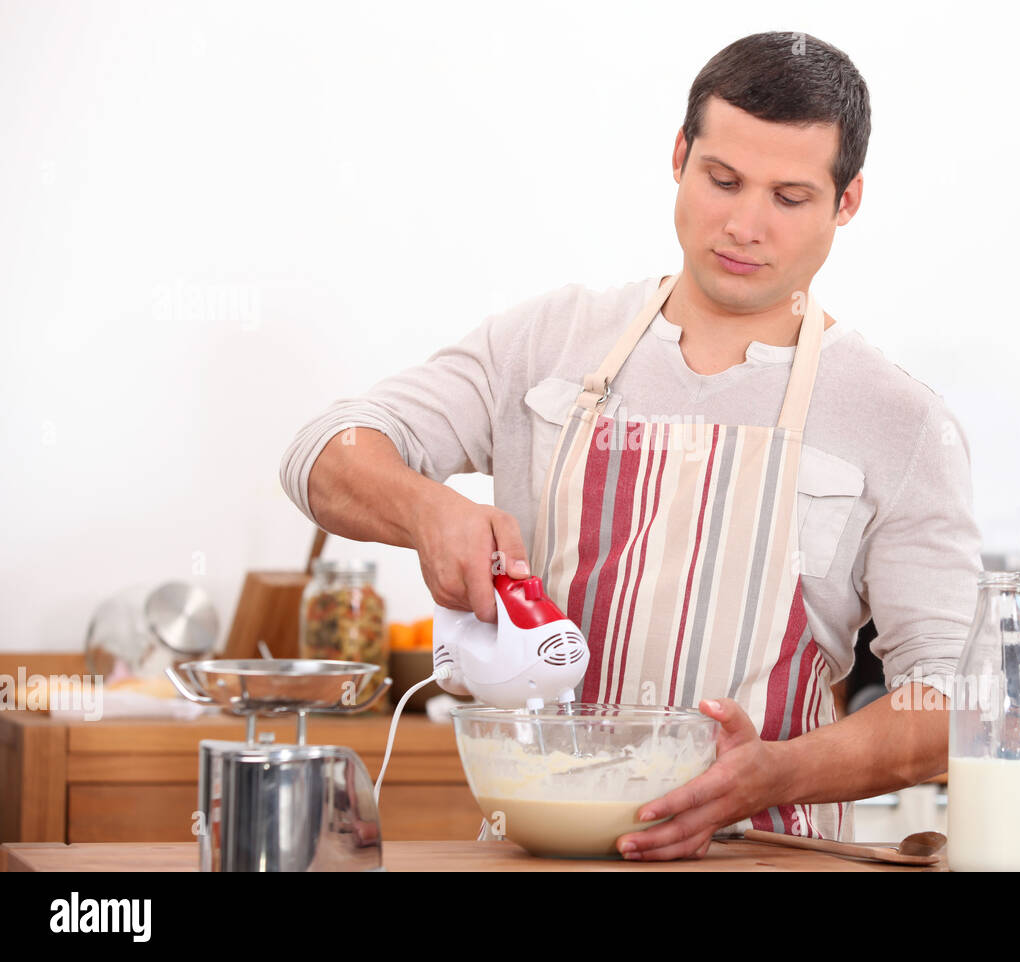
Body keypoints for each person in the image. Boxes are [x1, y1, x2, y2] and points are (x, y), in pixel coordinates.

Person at [279, 31, 983, 861]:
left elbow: (955, 703)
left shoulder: (900, 420)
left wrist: (776, 773)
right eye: (722, 180)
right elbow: (320, 454)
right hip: (540, 844)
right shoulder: (548, 341)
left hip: (761, 851)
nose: (744, 224)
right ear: (680, 156)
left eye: (789, 197)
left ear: (847, 201)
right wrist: (427, 510)